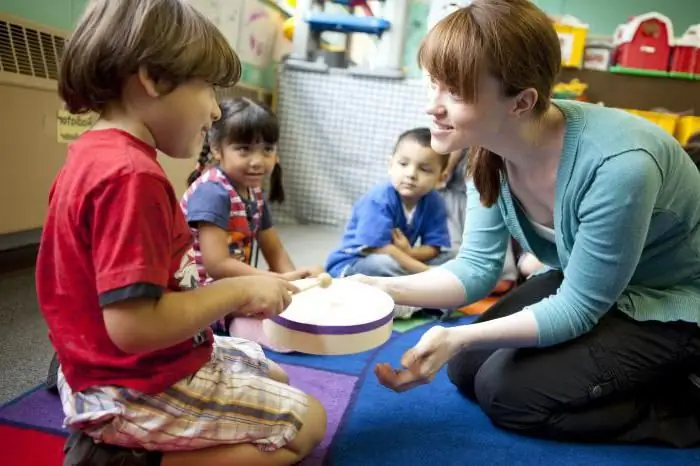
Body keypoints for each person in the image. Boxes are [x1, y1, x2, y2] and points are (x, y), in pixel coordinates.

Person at [357, 0, 700, 448]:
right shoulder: (487, 148)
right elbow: (476, 269)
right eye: (434, 85)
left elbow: (577, 308)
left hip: (671, 305)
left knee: (508, 396)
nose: (432, 107)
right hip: (603, 289)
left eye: (455, 93)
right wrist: (384, 289)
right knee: (466, 369)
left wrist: (458, 336)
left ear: (521, 101)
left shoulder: (621, 165)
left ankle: (681, 403)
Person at [36, 1, 326, 465]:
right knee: (308, 425)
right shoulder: (131, 175)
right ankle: (124, 459)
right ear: (152, 77)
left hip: (107, 368)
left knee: (275, 375)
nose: (215, 110)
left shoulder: (95, 153)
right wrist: (239, 290)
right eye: (209, 88)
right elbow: (135, 327)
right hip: (133, 384)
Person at [181, 97, 321, 352]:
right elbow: (217, 265)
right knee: (273, 325)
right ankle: (235, 329)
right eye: (244, 149)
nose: (258, 160)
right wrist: (275, 279)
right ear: (216, 148)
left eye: (267, 149)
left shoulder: (253, 191)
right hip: (199, 294)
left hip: (232, 286)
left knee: (297, 302)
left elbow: (274, 249)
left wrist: (294, 287)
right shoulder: (212, 192)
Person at [325, 127, 453, 318]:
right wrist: (427, 273)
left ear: (441, 178)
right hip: (356, 264)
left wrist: (410, 253)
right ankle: (423, 296)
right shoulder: (379, 198)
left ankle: (414, 296)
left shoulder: (434, 201)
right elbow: (380, 249)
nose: (411, 174)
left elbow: (434, 247)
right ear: (390, 165)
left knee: (453, 258)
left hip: (401, 258)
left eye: (424, 169)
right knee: (383, 263)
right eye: (403, 164)